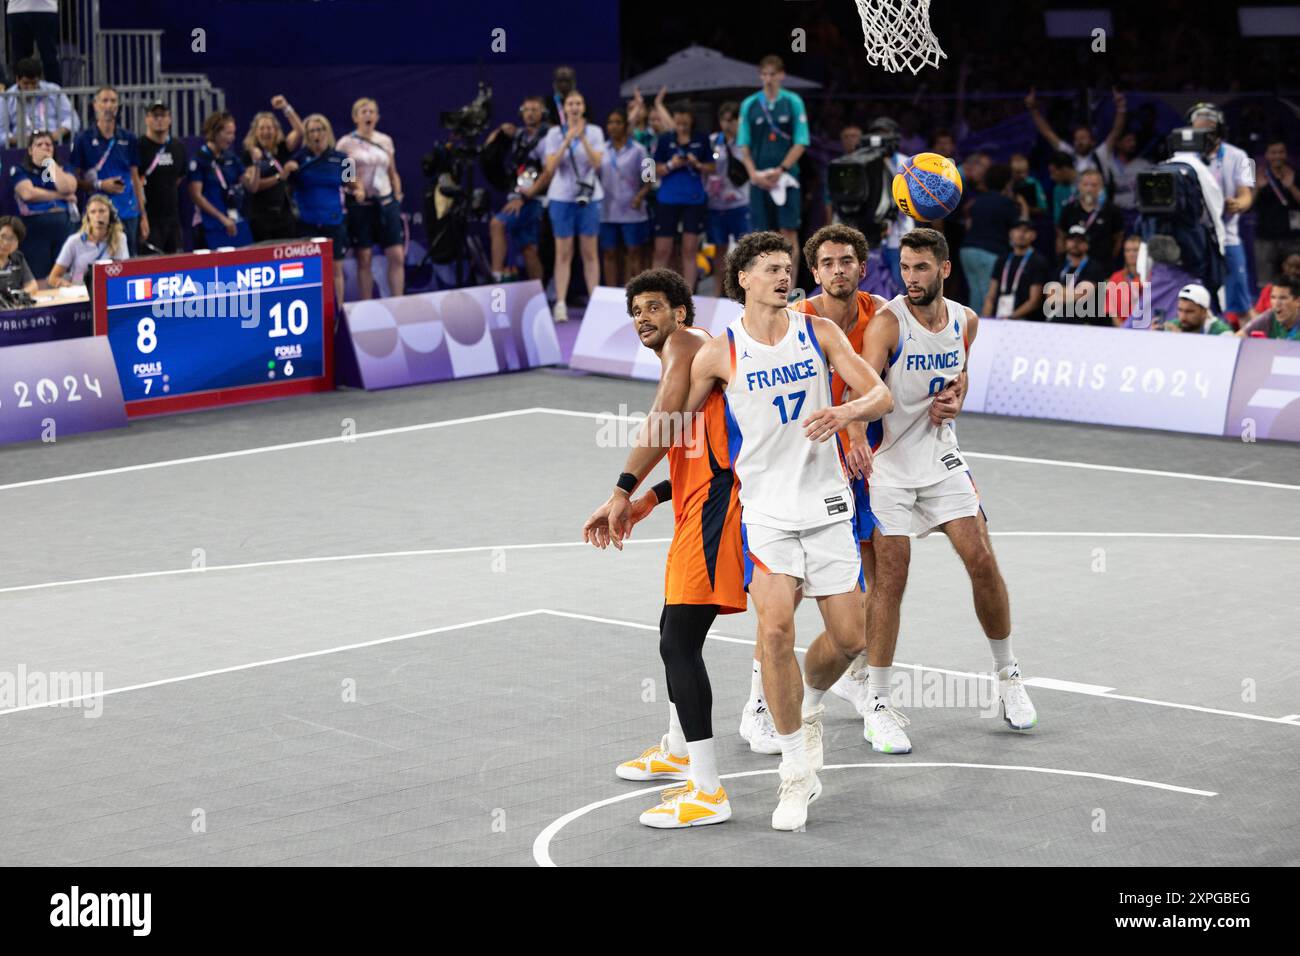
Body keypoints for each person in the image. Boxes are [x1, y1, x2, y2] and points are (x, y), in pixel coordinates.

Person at [687, 231, 893, 830]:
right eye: (772, 269)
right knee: (775, 629)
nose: (784, 278)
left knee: (850, 638)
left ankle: (809, 702)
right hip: (766, 516)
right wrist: (632, 490)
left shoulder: (818, 332)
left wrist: (846, 412)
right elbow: (674, 417)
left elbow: (879, 394)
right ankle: (796, 770)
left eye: (786, 269)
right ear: (743, 279)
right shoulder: (719, 353)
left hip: (827, 507)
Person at [738, 224, 966, 742]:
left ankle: (857, 678)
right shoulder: (797, 321)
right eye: (827, 263)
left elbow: (940, 366)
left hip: (866, 467)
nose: (838, 270)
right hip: (806, 470)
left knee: (869, 581)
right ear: (814, 272)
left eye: (847, 261)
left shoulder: (882, 316)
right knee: (787, 595)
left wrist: (957, 392)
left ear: (862, 268)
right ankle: (759, 702)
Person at [854, 227, 1037, 755]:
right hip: (888, 466)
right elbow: (861, 387)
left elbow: (961, 376)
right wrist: (854, 436)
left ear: (944, 269)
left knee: (981, 559)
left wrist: (957, 398)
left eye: (921, 268)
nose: (911, 278)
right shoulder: (888, 324)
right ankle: (878, 704)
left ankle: (1008, 677)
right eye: (905, 268)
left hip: (941, 458)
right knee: (891, 579)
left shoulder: (965, 321)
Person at [581, 268, 747, 829]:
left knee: (679, 641)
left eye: (654, 307)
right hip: (698, 504)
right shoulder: (695, 357)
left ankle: (707, 789)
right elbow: (705, 448)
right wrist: (651, 497)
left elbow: (666, 416)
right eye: (635, 311)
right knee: (671, 633)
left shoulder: (687, 343)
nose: (643, 318)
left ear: (680, 312)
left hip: (719, 509)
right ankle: (678, 749)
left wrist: (621, 491)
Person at [540, 89, 605, 322]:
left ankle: (595, 303)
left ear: (584, 107)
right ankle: (560, 303)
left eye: (578, 103)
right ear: (565, 108)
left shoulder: (595, 132)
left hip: (589, 198)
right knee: (563, 253)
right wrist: (567, 140)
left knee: (589, 253)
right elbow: (550, 168)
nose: (574, 107)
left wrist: (583, 139)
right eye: (570, 104)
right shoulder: (554, 134)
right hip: (561, 198)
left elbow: (597, 164)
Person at [736, 55, 811, 252]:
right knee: (761, 236)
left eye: (772, 74)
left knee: (788, 232)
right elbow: (743, 144)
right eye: (765, 74)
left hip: (787, 176)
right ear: (760, 76)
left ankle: (790, 274)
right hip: (759, 177)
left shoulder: (792, 101)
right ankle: (767, 273)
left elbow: (801, 141)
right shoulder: (749, 104)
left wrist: (782, 169)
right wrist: (753, 175)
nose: (768, 79)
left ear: (781, 75)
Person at [1191, 104, 1255, 322]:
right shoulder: (1184, 155)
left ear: (1219, 130)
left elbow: (1247, 195)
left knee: (1242, 305)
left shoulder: (1242, 156)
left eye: (1207, 129)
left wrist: (1238, 204)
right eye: (1197, 129)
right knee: (1199, 305)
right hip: (1195, 240)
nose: (1202, 134)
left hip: (1228, 238)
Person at [289, 113, 360, 309]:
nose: (316, 134)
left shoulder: (343, 159)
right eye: (312, 131)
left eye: (320, 130)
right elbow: (287, 184)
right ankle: (311, 311)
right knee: (308, 271)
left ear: (327, 132)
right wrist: (288, 171)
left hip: (333, 220)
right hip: (307, 222)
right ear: (307, 135)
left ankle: (339, 313)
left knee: (336, 268)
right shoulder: (298, 159)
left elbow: (353, 182)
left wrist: (360, 190)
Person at [337, 98, 405, 300]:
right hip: (361, 205)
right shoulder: (345, 143)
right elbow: (346, 175)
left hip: (386, 203)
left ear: (377, 117)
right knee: (364, 257)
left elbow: (392, 171)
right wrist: (357, 188)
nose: (368, 115)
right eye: (363, 111)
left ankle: (398, 302)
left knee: (397, 255)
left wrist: (397, 194)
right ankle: (366, 305)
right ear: (355, 117)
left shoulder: (385, 141)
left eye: (371, 111)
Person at [70, 86, 147, 256]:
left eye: (113, 101)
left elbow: (135, 178)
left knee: (128, 261)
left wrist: (143, 215)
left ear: (118, 106)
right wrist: (99, 185)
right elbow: (74, 181)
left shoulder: (129, 138)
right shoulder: (83, 139)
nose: (109, 105)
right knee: (100, 262)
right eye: (104, 101)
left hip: (128, 213)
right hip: (98, 215)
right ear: (95, 105)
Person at [484, 95, 550, 283]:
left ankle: (496, 277)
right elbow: (488, 150)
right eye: (526, 110)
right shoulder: (518, 135)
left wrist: (523, 197)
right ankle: (539, 293)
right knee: (529, 249)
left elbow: (546, 172)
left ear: (543, 113)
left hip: (534, 200)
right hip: (518, 196)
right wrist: (500, 131)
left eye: (534, 110)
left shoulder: (547, 138)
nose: (530, 114)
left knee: (497, 224)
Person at [652, 101, 713, 291]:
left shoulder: (702, 139)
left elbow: (712, 167)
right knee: (662, 249)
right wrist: (671, 165)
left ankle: (688, 293)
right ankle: (655, 291)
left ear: (692, 120)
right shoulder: (664, 140)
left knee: (689, 249)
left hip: (693, 200)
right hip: (667, 199)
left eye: (685, 123)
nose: (681, 127)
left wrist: (697, 164)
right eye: (678, 123)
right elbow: (652, 171)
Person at [1025, 87, 1127, 184]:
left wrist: (1121, 107)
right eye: (1076, 139)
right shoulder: (1069, 154)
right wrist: (1033, 110)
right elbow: (1048, 133)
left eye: (1083, 138)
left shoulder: (1101, 153)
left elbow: (1116, 131)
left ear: (1092, 142)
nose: (1079, 142)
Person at [187, 110, 257, 250]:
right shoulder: (199, 160)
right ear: (215, 132)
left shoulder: (231, 158)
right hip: (209, 224)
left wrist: (256, 164)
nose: (232, 138)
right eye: (228, 133)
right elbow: (196, 196)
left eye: (233, 133)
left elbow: (252, 187)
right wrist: (221, 218)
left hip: (233, 221)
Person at [10, 129, 76, 277]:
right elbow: (28, 193)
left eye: (48, 144)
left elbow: (68, 187)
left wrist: (50, 163)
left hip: (63, 225)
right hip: (34, 226)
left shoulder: (64, 168)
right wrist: (62, 196)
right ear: (30, 150)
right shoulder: (19, 170)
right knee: (38, 274)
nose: (44, 147)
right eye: (39, 145)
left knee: (64, 275)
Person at [597, 108, 651, 287]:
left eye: (618, 122)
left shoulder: (640, 149)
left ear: (626, 126)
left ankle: (636, 291)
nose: (613, 126)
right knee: (609, 253)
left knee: (634, 252)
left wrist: (639, 196)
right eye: (610, 123)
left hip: (632, 211)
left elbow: (650, 179)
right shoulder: (600, 150)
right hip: (607, 211)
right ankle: (611, 292)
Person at [242, 98, 305, 242]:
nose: (266, 132)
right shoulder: (250, 153)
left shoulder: (282, 148)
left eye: (269, 128)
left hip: (283, 214)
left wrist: (286, 107)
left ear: (276, 131)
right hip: (260, 216)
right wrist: (279, 177)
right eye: (262, 128)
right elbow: (254, 186)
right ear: (255, 132)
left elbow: (300, 131)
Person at [704, 101, 750, 293]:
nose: (728, 124)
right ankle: (717, 293)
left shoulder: (746, 142)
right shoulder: (713, 141)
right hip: (717, 204)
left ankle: (744, 292)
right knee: (719, 251)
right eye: (724, 120)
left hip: (741, 203)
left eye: (732, 120)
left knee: (746, 250)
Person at [961, 163, 1020, 310]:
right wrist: (1023, 206)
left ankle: (973, 323)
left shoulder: (977, 200)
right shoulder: (1007, 203)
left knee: (975, 294)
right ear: (1007, 183)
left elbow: (968, 222)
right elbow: (1019, 228)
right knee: (987, 296)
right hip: (989, 251)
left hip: (967, 250)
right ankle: (983, 324)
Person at [137, 101, 188, 254]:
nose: (159, 119)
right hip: (149, 218)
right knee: (151, 262)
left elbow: (179, 178)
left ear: (170, 119)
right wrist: (142, 216)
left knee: (176, 262)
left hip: (172, 218)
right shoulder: (139, 146)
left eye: (163, 115)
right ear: (147, 119)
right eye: (155, 115)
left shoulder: (178, 147)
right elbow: (135, 181)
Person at [47, 193, 129, 286]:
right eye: (93, 212)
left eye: (102, 211)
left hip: (111, 288)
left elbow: (125, 272)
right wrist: (69, 287)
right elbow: (53, 278)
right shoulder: (74, 241)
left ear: (111, 215)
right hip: (81, 290)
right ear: (88, 217)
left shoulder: (120, 238)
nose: (97, 215)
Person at [1252, 141, 1300, 288]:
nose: (1277, 156)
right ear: (1267, 155)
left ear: (1286, 154)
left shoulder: (1295, 174)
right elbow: (1248, 205)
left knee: (1295, 282)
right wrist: (1257, 187)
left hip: (1292, 238)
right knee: (1266, 284)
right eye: (1273, 152)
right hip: (1265, 238)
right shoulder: (1259, 176)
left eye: (1281, 152)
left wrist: (1291, 186)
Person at [982, 219, 1050, 320]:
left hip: (1026, 320)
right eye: (1017, 230)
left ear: (1033, 235)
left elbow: (1034, 301)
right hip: (1000, 317)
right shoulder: (1002, 259)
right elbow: (991, 296)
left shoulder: (1038, 261)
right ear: (1010, 233)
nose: (1021, 234)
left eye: (1026, 231)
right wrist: (984, 321)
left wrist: (1009, 318)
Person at [1057, 168, 1123, 270]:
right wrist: (1061, 261)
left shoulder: (1112, 210)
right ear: (1079, 186)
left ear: (1101, 187)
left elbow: (1118, 239)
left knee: (1101, 282)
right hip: (1072, 266)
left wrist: (1110, 259)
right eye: (1085, 184)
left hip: (1102, 268)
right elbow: (1061, 236)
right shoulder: (1069, 209)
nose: (1089, 189)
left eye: (1094, 185)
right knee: (1069, 281)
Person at [0, 56, 77, 145]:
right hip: (21, 145)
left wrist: (56, 135)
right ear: (17, 80)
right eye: (26, 83)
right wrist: (18, 140)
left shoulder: (54, 90)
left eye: (34, 83)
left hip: (53, 142)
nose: (30, 89)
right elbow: (1, 133)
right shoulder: (6, 98)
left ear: (39, 80)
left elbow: (73, 119)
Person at [1047, 225, 1110, 323]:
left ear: (1087, 245)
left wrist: (1059, 291)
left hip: (1084, 323)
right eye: (1072, 240)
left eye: (1080, 241)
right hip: (1059, 319)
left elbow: (1080, 295)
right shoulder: (1060, 267)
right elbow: (1050, 298)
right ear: (1066, 243)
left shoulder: (1094, 268)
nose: (1075, 244)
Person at [6, 0, 61, 86]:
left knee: (49, 57)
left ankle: (56, 93)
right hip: (18, 9)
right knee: (19, 59)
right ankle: (19, 91)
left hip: (44, 8)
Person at [1162, 283, 1232, 334]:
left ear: (1204, 311)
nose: (1183, 317)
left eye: (1189, 311)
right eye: (1180, 310)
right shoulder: (1172, 326)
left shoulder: (1221, 333)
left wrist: (1180, 339)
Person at [1104, 235, 1144, 326]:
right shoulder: (1116, 278)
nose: (1131, 254)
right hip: (1122, 329)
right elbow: (1113, 312)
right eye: (1128, 250)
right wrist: (1123, 330)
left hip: (1146, 329)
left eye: (1136, 250)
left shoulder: (1151, 277)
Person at [0, 216, 38, 294]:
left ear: (18, 243)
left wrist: (17, 295)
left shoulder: (18, 258)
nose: (5, 243)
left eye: (12, 238)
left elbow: (33, 286)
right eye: (3, 236)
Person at [1009, 153, 1047, 218]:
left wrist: (1024, 208)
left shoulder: (1034, 183)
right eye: (1018, 172)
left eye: (1025, 172)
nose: (1022, 176)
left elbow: (1043, 209)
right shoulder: (1007, 185)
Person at [1046, 152, 1077, 225]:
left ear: (1064, 169)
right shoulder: (1057, 190)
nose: (1051, 177)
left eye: (1053, 172)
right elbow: (1057, 220)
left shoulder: (1088, 183)